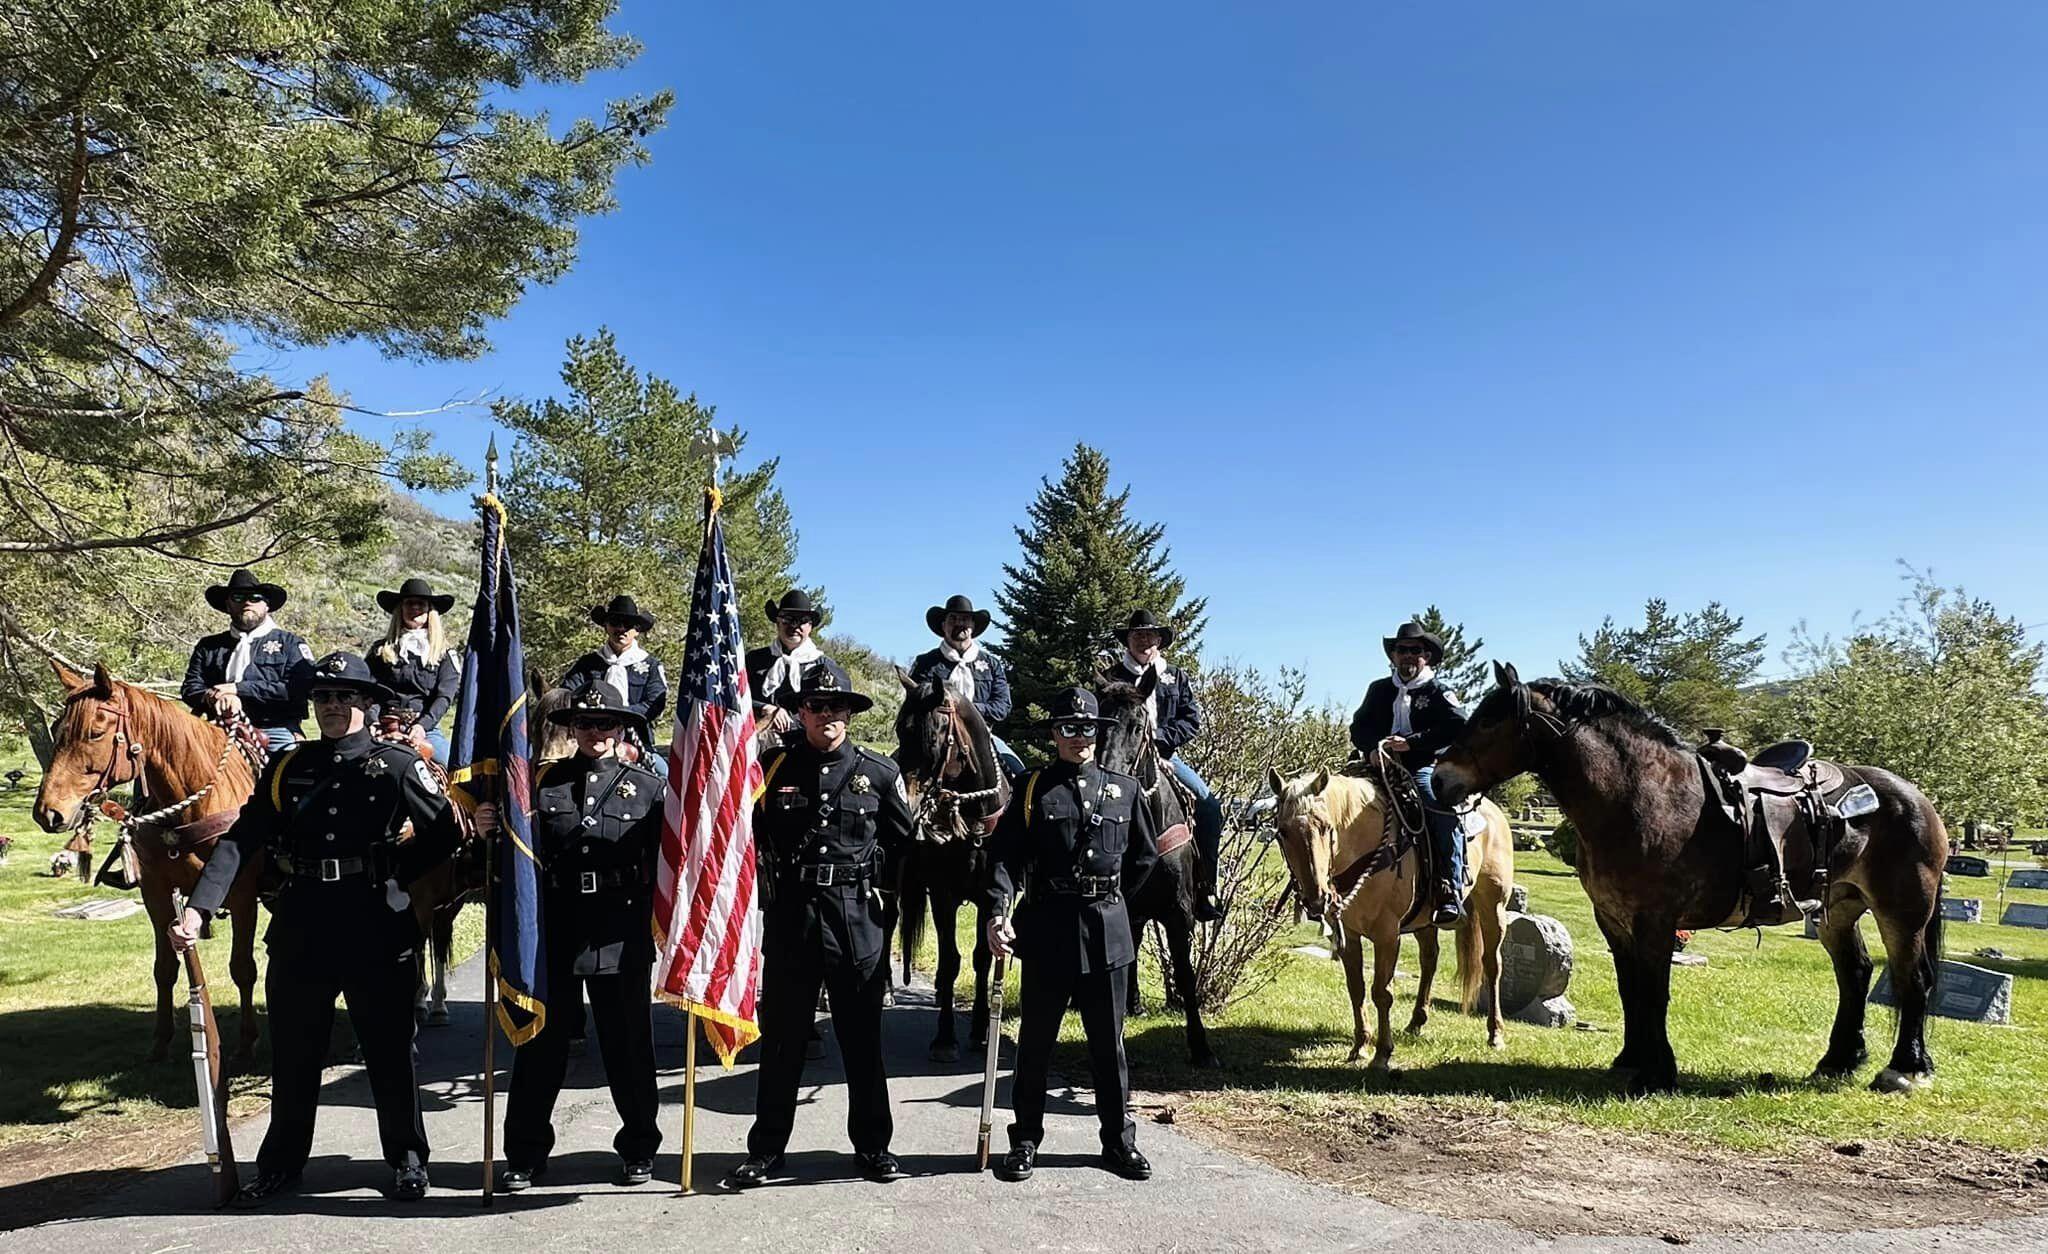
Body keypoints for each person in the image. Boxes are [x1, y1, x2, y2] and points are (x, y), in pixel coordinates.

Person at [166, 652, 461, 1205]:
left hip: (376, 922)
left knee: (390, 1049)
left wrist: (400, 876)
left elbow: (445, 832)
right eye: (323, 697)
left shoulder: (397, 764)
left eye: (344, 696)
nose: (331, 706)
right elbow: (240, 839)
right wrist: (199, 909)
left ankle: (407, 1158)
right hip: (303, 924)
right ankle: (280, 1164)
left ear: (367, 704)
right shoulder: (289, 767)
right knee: (296, 1053)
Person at [723, 664, 913, 1190]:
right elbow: (742, 834)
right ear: (800, 712)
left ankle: (873, 1146)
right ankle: (766, 1150)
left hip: (857, 921)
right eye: (815, 705)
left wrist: (886, 909)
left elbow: (904, 844)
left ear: (850, 713)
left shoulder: (878, 772)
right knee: (783, 1041)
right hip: (794, 919)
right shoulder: (773, 765)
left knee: (861, 1041)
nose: (826, 714)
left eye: (836, 706)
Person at [474, 687, 664, 1191]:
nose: (595, 733)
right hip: (556, 929)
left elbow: (670, 866)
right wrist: (489, 829)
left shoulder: (647, 789)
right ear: (572, 730)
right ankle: (526, 1153)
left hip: (618, 930)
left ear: (621, 728)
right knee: (541, 1046)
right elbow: (515, 859)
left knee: (628, 1047)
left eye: (605, 724)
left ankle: (640, 1148)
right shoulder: (543, 785)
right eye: (585, 725)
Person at [985, 687, 1159, 1183]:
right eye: (1067, 728)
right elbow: (1005, 858)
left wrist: (1111, 896)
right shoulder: (1032, 788)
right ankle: (1024, 1141)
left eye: (1086, 729)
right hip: (1048, 929)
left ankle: (1117, 1143)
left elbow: (1144, 856)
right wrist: (1000, 911)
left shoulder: (1124, 789)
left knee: (1109, 1044)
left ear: (1098, 735)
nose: (1077, 737)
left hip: (1108, 933)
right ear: (1055, 734)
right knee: (1036, 1043)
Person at [1102, 609, 1224, 922]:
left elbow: (1190, 720)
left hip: (1166, 757)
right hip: (1120, 759)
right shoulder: (1113, 677)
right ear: (1128, 640)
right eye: (1137, 635)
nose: (1144, 640)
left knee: (1211, 808)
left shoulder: (1175, 676)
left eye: (1149, 635)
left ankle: (1204, 885)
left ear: (1159, 640)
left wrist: (1159, 741)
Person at [1347, 621, 1470, 926]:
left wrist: (1412, 744)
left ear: (1425, 656)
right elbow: (1358, 727)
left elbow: (1458, 725)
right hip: (1376, 766)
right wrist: (1371, 750)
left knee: (1436, 807)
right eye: (1402, 650)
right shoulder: (1379, 690)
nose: (1408, 656)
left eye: (1415, 651)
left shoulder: (1439, 691)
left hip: (1421, 765)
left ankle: (1447, 888)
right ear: (1393, 655)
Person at [180, 568, 316, 754]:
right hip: (216, 727)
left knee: (288, 773)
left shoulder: (291, 644)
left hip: (275, 729)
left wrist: (239, 689)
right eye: (238, 597)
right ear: (228, 605)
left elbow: (300, 688)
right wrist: (216, 697)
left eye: (255, 597)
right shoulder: (209, 646)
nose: (246, 602)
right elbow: (190, 687)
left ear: (267, 605)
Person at [907, 594, 1024, 777]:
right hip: (935, 738)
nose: (960, 624)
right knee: (894, 777)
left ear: (973, 626)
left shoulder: (992, 664)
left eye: (966, 619)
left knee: (1018, 775)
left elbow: (1002, 706)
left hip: (984, 737)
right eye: (953, 619)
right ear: (943, 625)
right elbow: (915, 705)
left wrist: (967, 710)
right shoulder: (926, 663)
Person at [561, 594, 669, 777]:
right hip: (592, 736)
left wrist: (622, 717)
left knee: (664, 776)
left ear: (637, 630)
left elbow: (655, 703)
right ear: (606, 626)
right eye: (615, 623)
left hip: (638, 740)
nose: (621, 629)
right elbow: (566, 694)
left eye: (628, 625)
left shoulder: (651, 665)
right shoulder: (588, 663)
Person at [366, 577, 461, 761]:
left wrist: (422, 726)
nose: (415, 608)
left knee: (454, 768)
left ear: (429, 610)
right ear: (400, 609)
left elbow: (444, 697)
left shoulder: (445, 654)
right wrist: (373, 721)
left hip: (425, 728)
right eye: (409, 603)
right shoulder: (380, 650)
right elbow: (369, 691)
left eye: (421, 604)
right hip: (384, 724)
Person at [743, 590, 836, 746]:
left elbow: (830, 711)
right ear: (777, 622)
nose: (794, 626)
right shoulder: (754, 660)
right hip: (753, 743)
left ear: (810, 626)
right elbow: (734, 696)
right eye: (788, 619)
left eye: (802, 621)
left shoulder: (824, 667)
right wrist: (766, 709)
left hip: (805, 747)